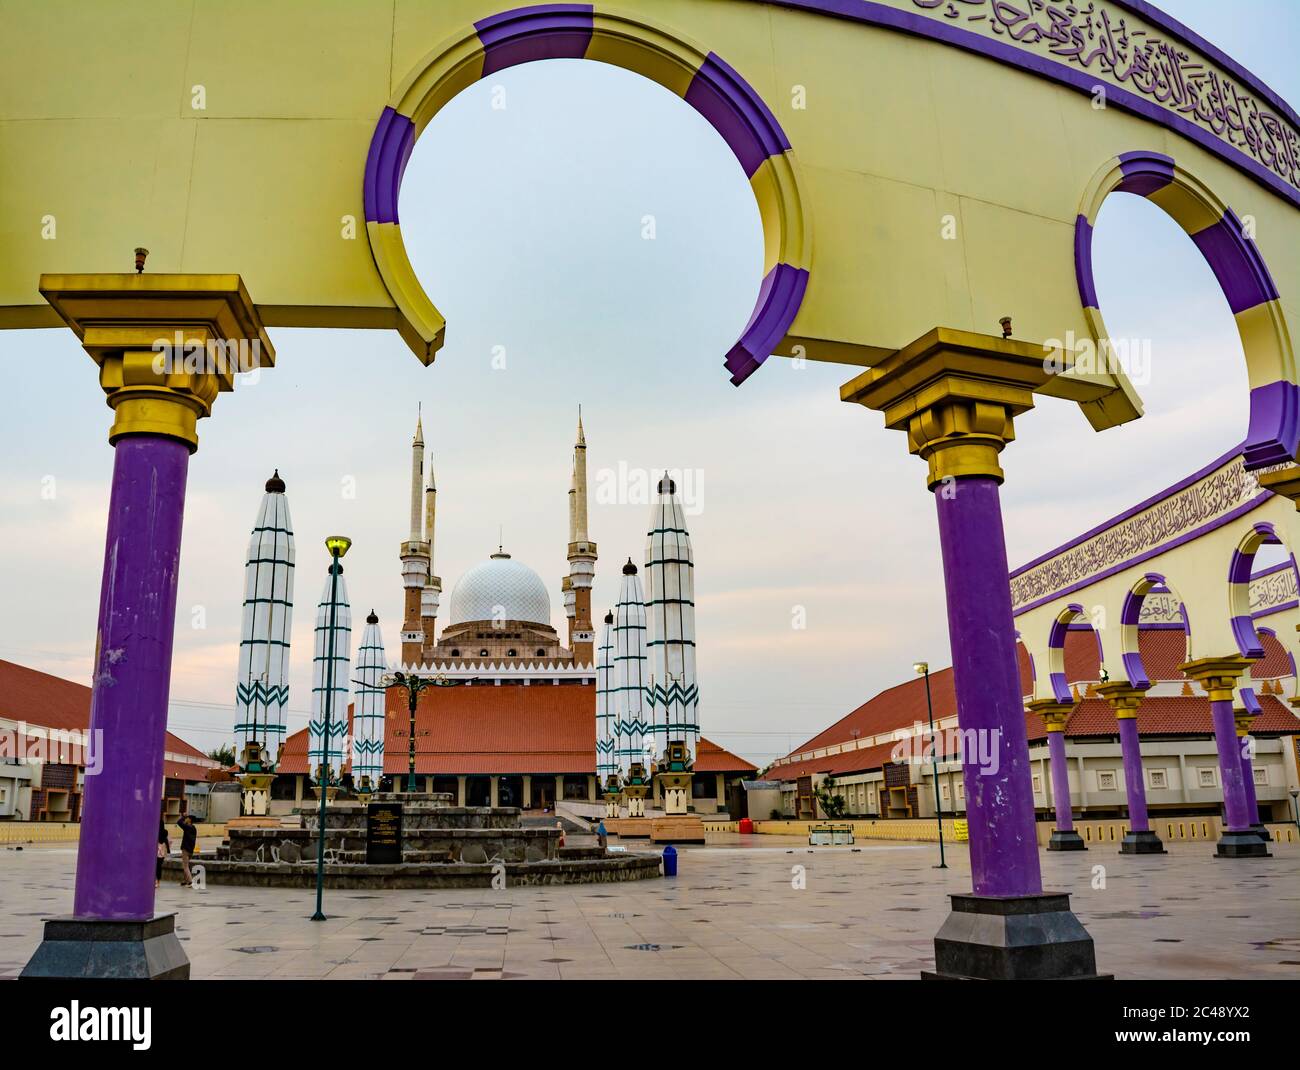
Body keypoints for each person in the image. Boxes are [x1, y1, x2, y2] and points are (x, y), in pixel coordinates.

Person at [176, 812, 198, 888]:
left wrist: (183, 816)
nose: (185, 819)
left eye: (187, 818)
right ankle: (185, 881)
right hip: (191, 849)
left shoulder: (187, 827)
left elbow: (178, 822)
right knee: (187, 865)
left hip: (185, 848)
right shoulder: (194, 828)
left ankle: (190, 882)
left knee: (185, 866)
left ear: (190, 820)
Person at [156, 819, 170, 888]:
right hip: (163, 851)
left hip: (159, 850)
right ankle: (158, 881)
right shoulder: (165, 832)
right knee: (158, 866)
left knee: (157, 866)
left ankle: (157, 881)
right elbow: (167, 841)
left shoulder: (156, 831)